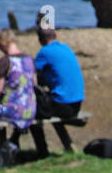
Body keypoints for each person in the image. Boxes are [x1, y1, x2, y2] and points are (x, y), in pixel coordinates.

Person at [32, 22, 85, 156]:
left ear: (40, 39)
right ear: (55, 35)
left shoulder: (45, 52)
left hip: (63, 105)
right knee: (45, 103)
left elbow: (30, 73)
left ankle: (42, 151)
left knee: (31, 109)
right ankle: (67, 146)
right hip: (76, 104)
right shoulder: (66, 48)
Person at [0, 29, 37, 167]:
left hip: (12, 110)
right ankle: (10, 145)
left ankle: (5, 146)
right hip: (30, 109)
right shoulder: (29, 59)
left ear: (3, 43)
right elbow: (34, 83)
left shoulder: (6, 61)